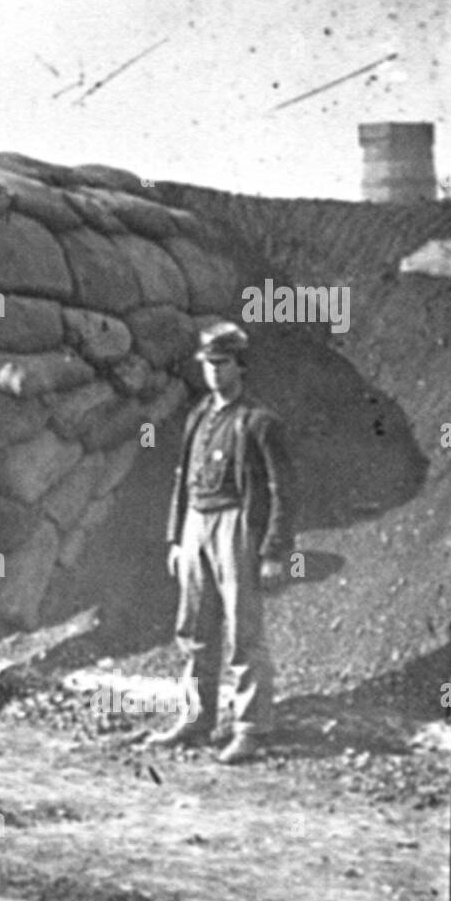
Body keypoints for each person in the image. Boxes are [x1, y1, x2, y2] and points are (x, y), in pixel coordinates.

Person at [154, 321, 296, 765]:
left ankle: (251, 728)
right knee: (194, 628)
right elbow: (182, 478)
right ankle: (196, 720)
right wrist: (176, 537)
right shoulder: (199, 414)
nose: (214, 372)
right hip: (197, 523)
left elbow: (283, 491)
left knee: (243, 631)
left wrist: (273, 551)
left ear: (240, 366)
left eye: (223, 363)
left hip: (236, 527)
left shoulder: (259, 421)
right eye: (208, 364)